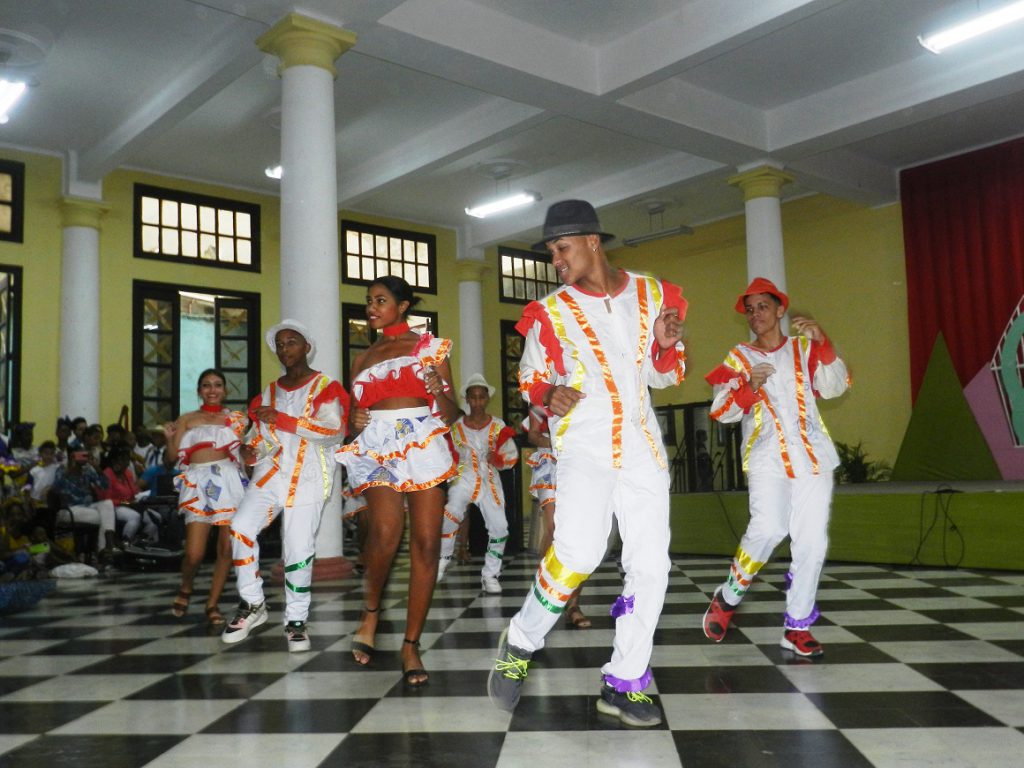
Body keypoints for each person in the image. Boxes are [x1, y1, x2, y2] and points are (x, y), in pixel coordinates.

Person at [488, 200, 687, 728]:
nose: (554, 259)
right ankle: (521, 639)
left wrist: (666, 348)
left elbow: (666, 374)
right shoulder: (550, 314)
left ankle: (624, 681)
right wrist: (548, 391)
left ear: (593, 241)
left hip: (643, 446)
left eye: (561, 248)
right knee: (578, 551)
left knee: (651, 563)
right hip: (584, 445)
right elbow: (530, 377)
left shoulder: (654, 294)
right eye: (551, 251)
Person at [701, 277, 849, 658]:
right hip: (767, 458)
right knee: (768, 528)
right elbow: (720, 412)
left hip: (813, 457)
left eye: (762, 307)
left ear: (780, 309)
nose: (755, 315)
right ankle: (729, 595)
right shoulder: (739, 357)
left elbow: (835, 387)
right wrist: (747, 387)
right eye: (749, 310)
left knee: (812, 542)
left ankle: (796, 627)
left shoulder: (804, 348)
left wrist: (823, 342)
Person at [336, 275, 460, 687]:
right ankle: (370, 610)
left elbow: (452, 411)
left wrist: (436, 390)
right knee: (385, 532)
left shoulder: (430, 348)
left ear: (403, 306)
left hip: (423, 440)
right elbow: (354, 419)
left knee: (426, 543)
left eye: (381, 300)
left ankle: (411, 644)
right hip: (379, 444)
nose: (371, 308)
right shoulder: (362, 359)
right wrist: (352, 422)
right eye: (369, 301)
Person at [221, 319, 348, 652]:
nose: (284, 349)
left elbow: (332, 432)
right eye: (279, 344)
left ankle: (296, 621)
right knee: (240, 528)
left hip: (307, 477)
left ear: (306, 346)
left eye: (291, 342)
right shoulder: (270, 391)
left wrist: (285, 420)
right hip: (271, 475)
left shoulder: (325, 386)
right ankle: (253, 604)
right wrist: (251, 449)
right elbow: (263, 438)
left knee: (298, 548)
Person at [164, 368, 248, 625]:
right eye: (207, 385)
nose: (213, 390)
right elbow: (171, 459)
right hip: (198, 482)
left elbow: (245, 454)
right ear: (199, 390)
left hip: (228, 481)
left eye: (218, 385)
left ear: (225, 390)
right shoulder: (187, 419)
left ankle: (212, 604)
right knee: (194, 553)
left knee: (225, 548)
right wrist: (169, 440)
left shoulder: (236, 419)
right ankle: (186, 586)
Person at [437, 373, 518, 592]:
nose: (477, 402)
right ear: (467, 399)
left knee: (500, 528)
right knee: (451, 512)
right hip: (464, 477)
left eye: (482, 397)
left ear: (487, 399)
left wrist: (497, 459)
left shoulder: (498, 425)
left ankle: (490, 575)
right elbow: (447, 453)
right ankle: (443, 557)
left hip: (489, 481)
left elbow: (510, 454)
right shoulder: (457, 427)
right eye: (473, 397)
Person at [525, 407, 589, 629]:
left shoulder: (584, 388)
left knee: (577, 534)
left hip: (578, 461)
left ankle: (573, 604)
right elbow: (533, 434)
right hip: (549, 460)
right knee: (553, 528)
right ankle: (546, 593)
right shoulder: (542, 393)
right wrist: (555, 442)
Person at [98, 447, 160, 544]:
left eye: (126, 460)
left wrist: (140, 497)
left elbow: (134, 492)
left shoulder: (128, 473)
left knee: (156, 518)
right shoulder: (107, 474)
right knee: (134, 517)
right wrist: (127, 503)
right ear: (113, 461)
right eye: (121, 460)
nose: (124, 462)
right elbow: (107, 500)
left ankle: (140, 542)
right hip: (114, 507)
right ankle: (125, 543)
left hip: (130, 504)